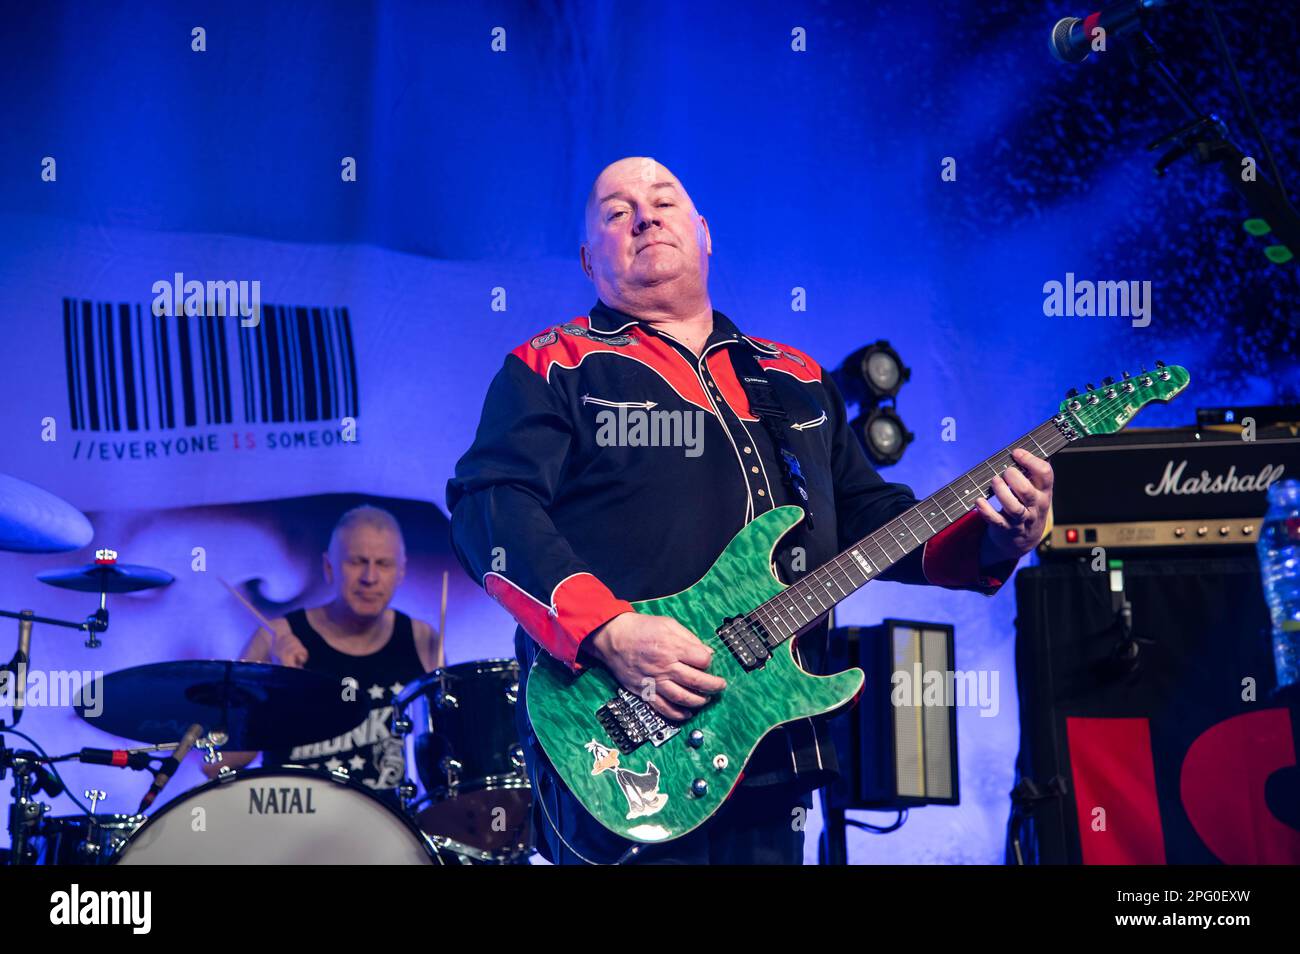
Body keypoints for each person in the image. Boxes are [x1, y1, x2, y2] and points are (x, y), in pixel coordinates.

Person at [446, 157, 1053, 864]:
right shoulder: (553, 366)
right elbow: (490, 507)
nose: (644, 216)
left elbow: (871, 518)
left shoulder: (794, 378)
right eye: (617, 212)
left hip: (773, 751)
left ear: (704, 234)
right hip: (621, 745)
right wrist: (608, 630)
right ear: (588, 260)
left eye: (664, 201)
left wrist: (996, 537)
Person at [204, 505, 443, 803]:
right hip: (292, 824)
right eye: (357, 562)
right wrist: (271, 686)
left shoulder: (422, 639)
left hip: (388, 831)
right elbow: (216, 764)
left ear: (400, 572)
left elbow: (446, 756)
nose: (370, 577)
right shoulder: (275, 636)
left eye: (383, 564)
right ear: (329, 567)